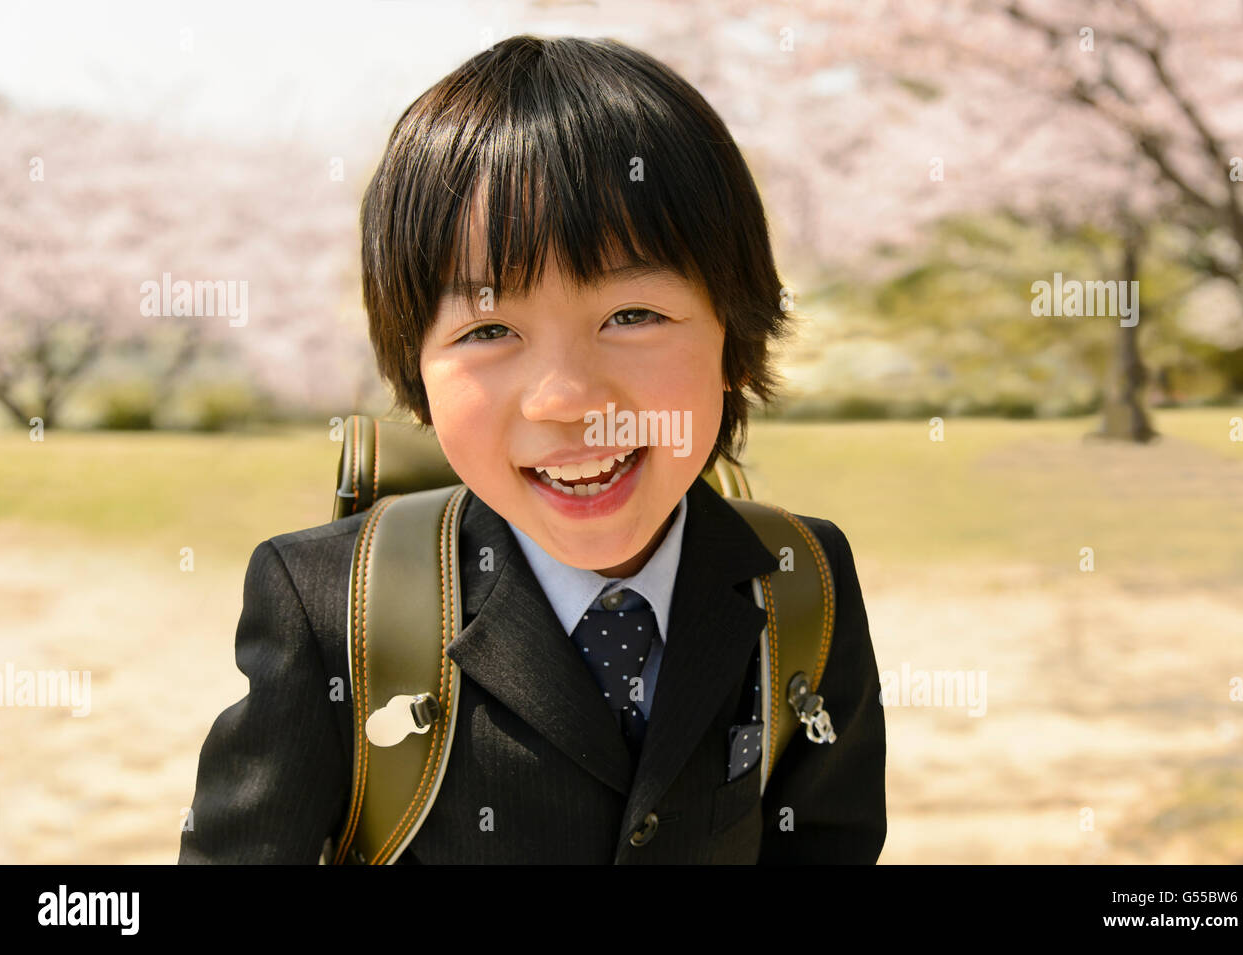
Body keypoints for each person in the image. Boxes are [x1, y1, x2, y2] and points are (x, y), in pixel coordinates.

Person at [179, 33, 886, 864]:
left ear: (735, 337)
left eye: (632, 316)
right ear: (417, 368)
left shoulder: (801, 582)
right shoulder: (329, 608)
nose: (565, 400)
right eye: (488, 329)